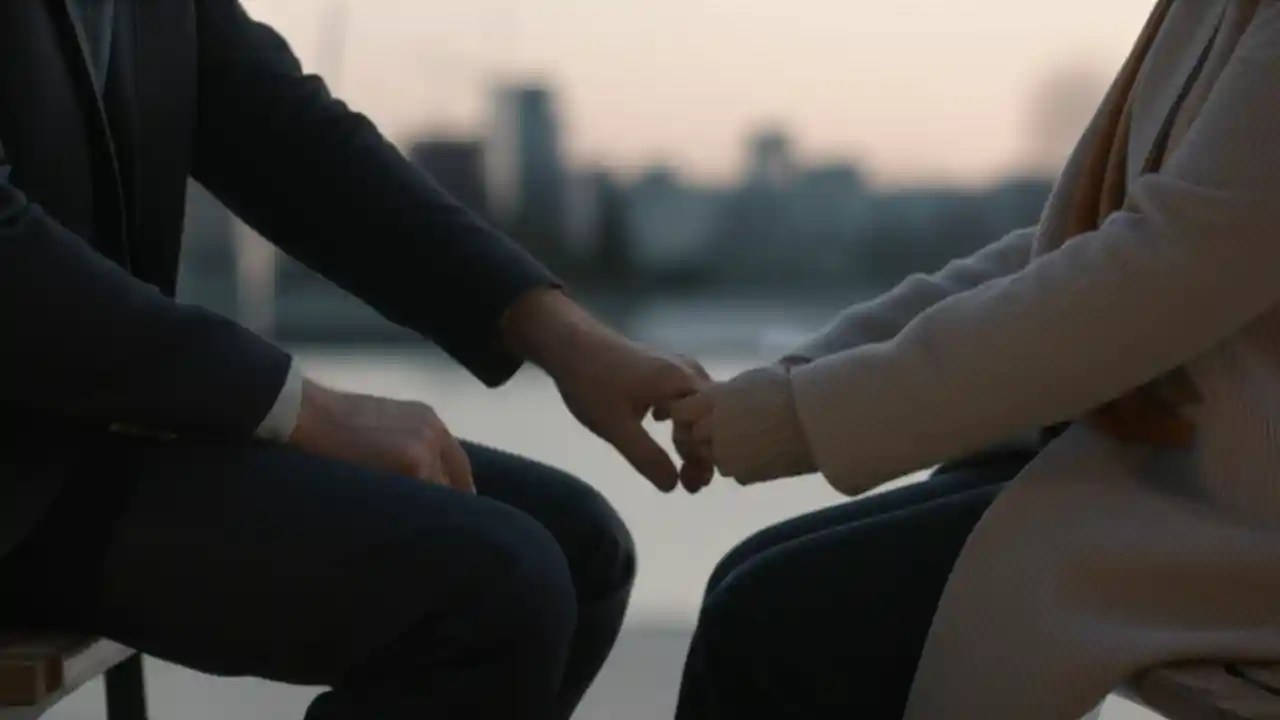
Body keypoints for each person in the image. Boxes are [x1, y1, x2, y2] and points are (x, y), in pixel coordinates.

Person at [0, 2, 706, 719]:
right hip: (24, 470)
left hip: (91, 430)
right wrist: (302, 408)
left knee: (580, 549)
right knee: (492, 589)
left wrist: (567, 339)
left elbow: (286, 135)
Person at [666, 1, 1280, 718]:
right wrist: (797, 379)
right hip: (1183, 471)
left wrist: (803, 413)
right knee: (754, 589)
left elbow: (1163, 270)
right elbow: (1081, 245)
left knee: (770, 624)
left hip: (1234, 506)